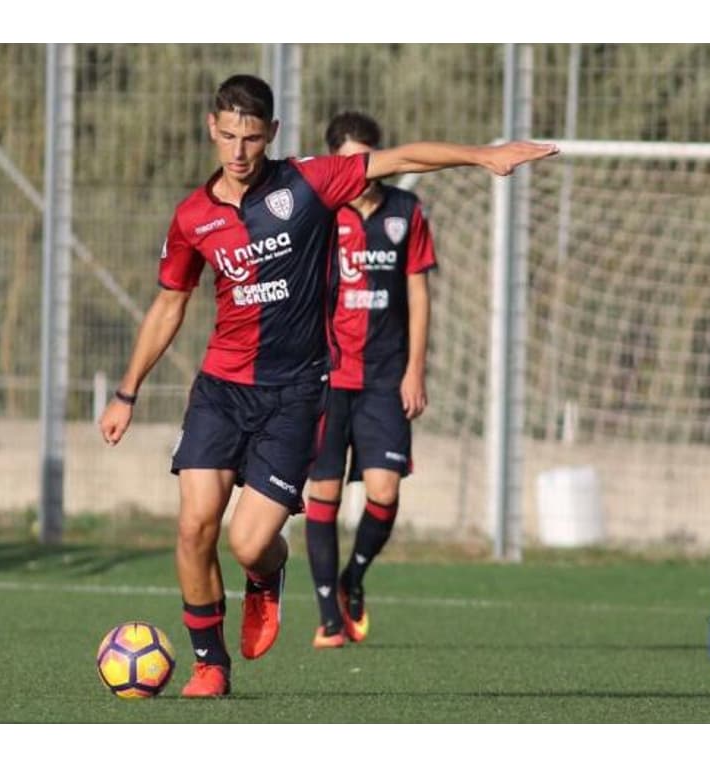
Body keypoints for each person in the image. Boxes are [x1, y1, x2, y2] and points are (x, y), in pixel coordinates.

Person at [99, 73, 557, 697]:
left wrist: (483, 156)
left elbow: (400, 157)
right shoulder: (192, 217)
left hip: (294, 396)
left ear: (273, 135)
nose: (238, 151)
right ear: (212, 128)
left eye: (252, 138)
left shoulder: (308, 182)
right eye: (228, 135)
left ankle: (267, 578)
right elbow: (168, 304)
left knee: (249, 542)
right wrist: (127, 390)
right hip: (220, 390)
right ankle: (210, 662)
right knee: (193, 525)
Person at [304, 111, 436, 649]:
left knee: (384, 492)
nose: (363, 171)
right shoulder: (319, 213)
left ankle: (353, 579)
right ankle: (327, 618)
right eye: (352, 161)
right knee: (325, 494)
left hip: (386, 376)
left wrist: (415, 369)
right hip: (329, 376)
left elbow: (420, 294)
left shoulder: (405, 211)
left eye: (369, 159)